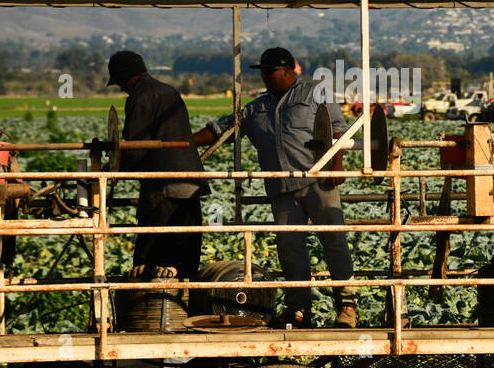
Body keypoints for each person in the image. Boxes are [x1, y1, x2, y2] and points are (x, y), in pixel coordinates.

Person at [193, 47, 356, 329]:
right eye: (263, 73)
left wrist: (336, 165)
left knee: (334, 242)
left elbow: (338, 130)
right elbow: (223, 129)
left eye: (270, 73)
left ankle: (347, 306)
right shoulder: (257, 107)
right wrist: (183, 142)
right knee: (290, 249)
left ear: (288, 71)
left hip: (318, 179)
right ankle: (298, 308)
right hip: (280, 185)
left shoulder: (314, 92)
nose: (266, 78)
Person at [108, 51, 210, 285]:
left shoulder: (140, 97)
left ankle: (150, 313)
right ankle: (182, 308)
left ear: (125, 79)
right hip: (190, 182)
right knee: (184, 252)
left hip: (162, 185)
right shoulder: (169, 91)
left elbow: (135, 147)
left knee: (151, 257)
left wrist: (111, 170)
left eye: (120, 83)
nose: (122, 88)